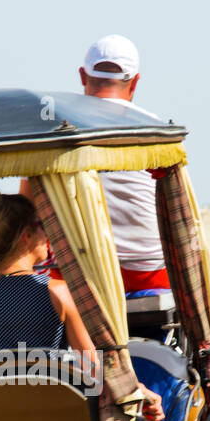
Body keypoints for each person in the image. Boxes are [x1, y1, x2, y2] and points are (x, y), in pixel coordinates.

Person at [0, 187, 164, 420]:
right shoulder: (57, 292)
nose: (48, 237)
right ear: (27, 235)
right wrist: (139, 392)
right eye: (42, 226)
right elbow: (94, 370)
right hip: (50, 419)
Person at [78, 34, 171, 294]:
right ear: (136, 82)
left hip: (81, 276)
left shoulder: (54, 130)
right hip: (149, 274)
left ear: (83, 77)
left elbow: (29, 211)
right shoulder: (158, 132)